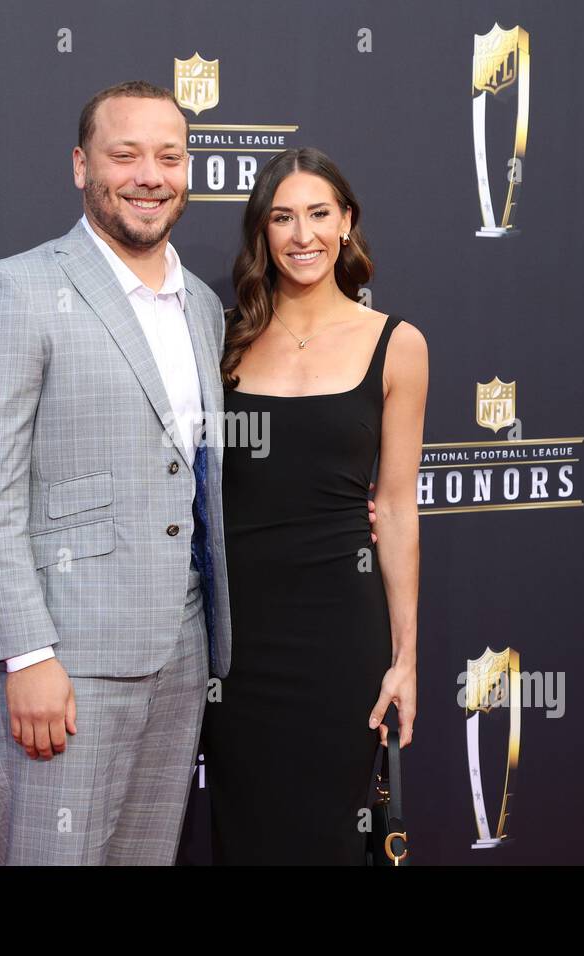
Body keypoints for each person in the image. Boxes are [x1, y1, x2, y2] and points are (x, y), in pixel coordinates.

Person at [0, 80, 232, 865]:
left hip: (182, 651)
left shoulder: (203, 308)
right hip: (64, 658)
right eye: (125, 155)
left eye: (169, 157)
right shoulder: (16, 290)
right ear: (81, 166)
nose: (149, 176)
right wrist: (26, 654)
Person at [203, 147, 427, 865]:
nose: (303, 235)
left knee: (331, 834)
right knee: (246, 835)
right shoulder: (217, 338)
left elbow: (396, 508)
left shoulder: (397, 344)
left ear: (346, 221)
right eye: (282, 217)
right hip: (235, 644)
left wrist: (405, 658)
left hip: (340, 635)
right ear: (261, 232)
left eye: (319, 214)